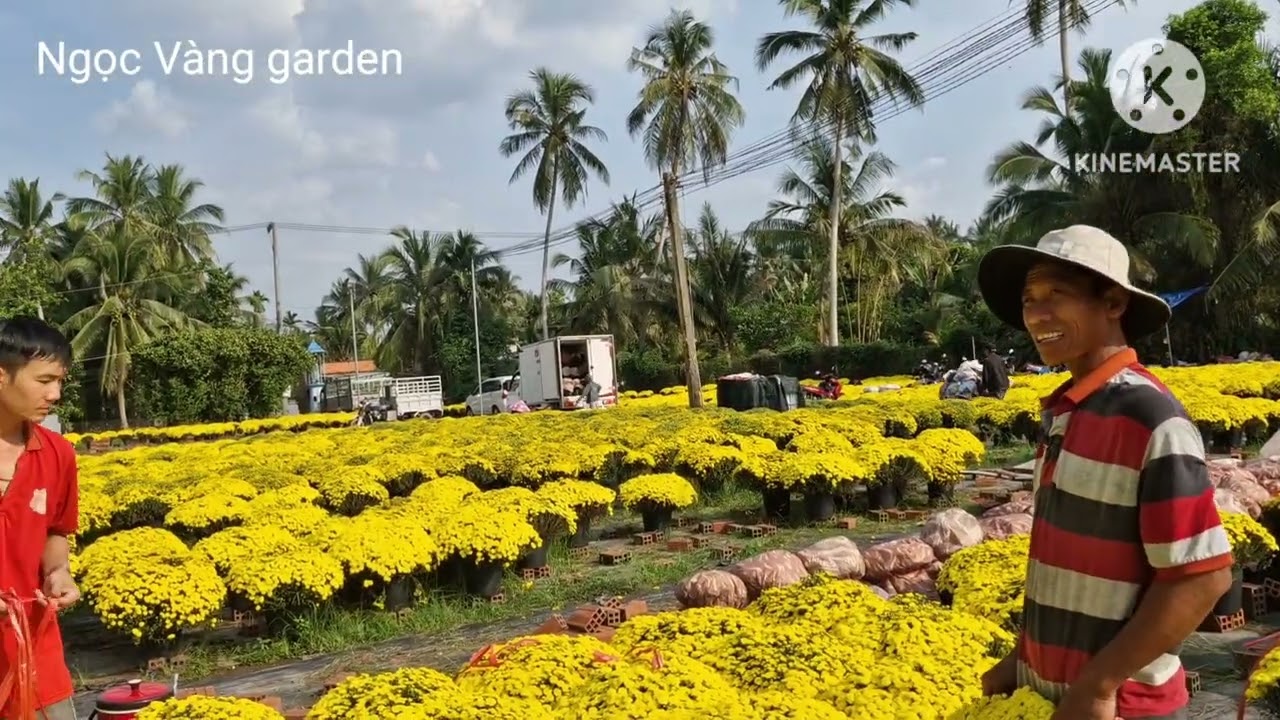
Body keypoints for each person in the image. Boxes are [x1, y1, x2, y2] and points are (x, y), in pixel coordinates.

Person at [975, 226, 1232, 720]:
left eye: (1057, 295)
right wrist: (1023, 659)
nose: (1037, 314)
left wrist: (1098, 683)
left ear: (1113, 304)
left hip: (1124, 704)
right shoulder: (1067, 413)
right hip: (1058, 694)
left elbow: (1202, 577)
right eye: (1029, 299)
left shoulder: (1146, 415)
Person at [0, 317, 80, 720]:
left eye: (60, 381)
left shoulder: (57, 454)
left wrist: (59, 572)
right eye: (44, 380)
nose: (55, 393)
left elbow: (55, 530)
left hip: (36, 651)